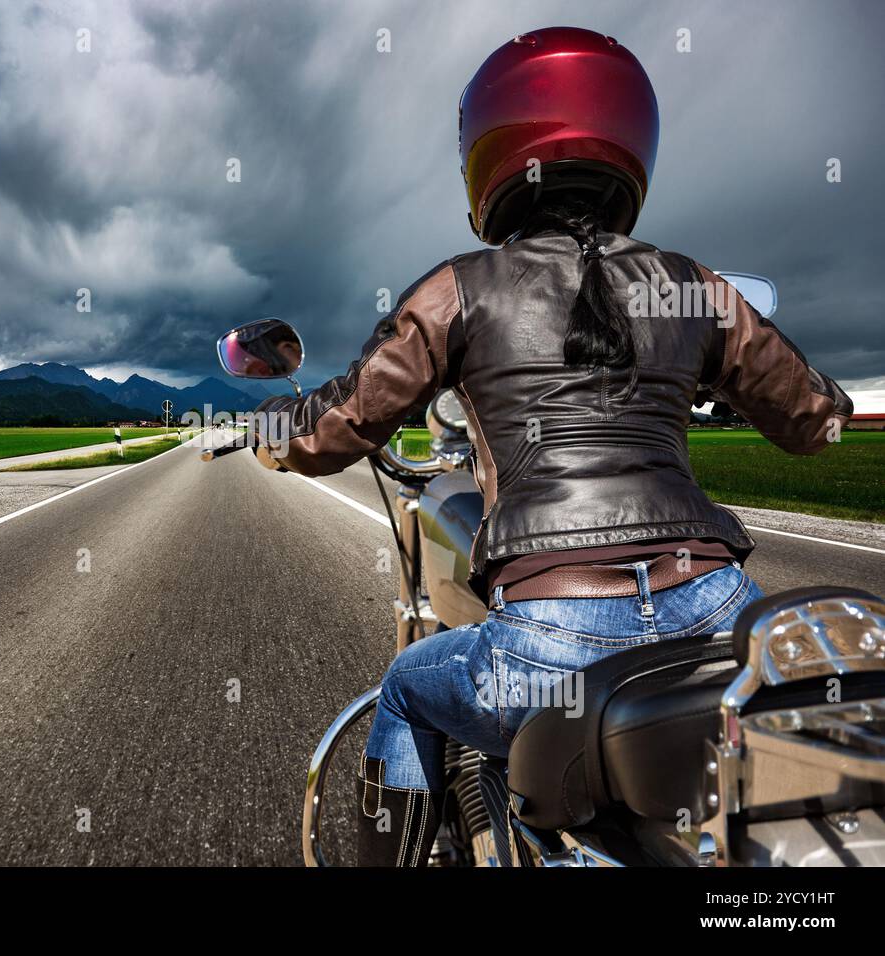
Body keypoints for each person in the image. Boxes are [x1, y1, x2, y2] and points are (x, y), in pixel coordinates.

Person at [249, 27, 853, 866]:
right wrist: (710, 370)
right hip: (719, 607)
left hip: (554, 637)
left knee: (407, 689)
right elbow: (818, 420)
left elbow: (333, 426)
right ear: (627, 143)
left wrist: (268, 428)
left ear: (491, 154)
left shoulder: (460, 287)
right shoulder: (693, 286)